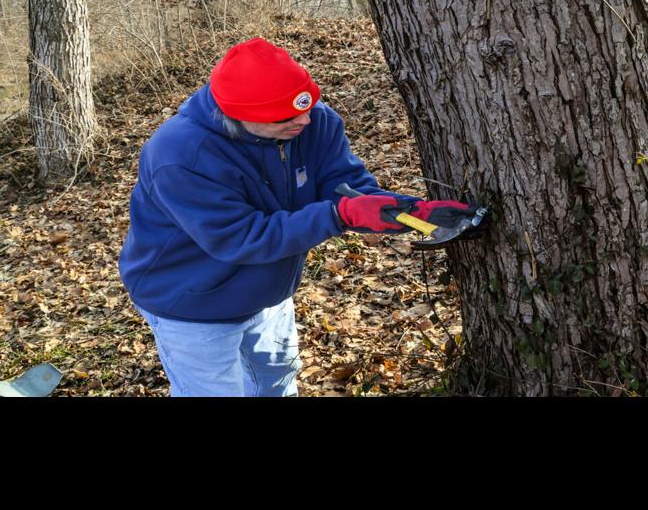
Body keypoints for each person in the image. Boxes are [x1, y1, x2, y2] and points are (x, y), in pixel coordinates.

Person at [118, 36, 465, 396]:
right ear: (239, 115)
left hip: (266, 291)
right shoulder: (181, 155)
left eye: (308, 105)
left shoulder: (315, 121)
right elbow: (242, 237)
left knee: (277, 385)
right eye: (285, 117)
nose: (303, 120)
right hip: (191, 301)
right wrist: (338, 215)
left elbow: (342, 184)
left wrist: (401, 211)